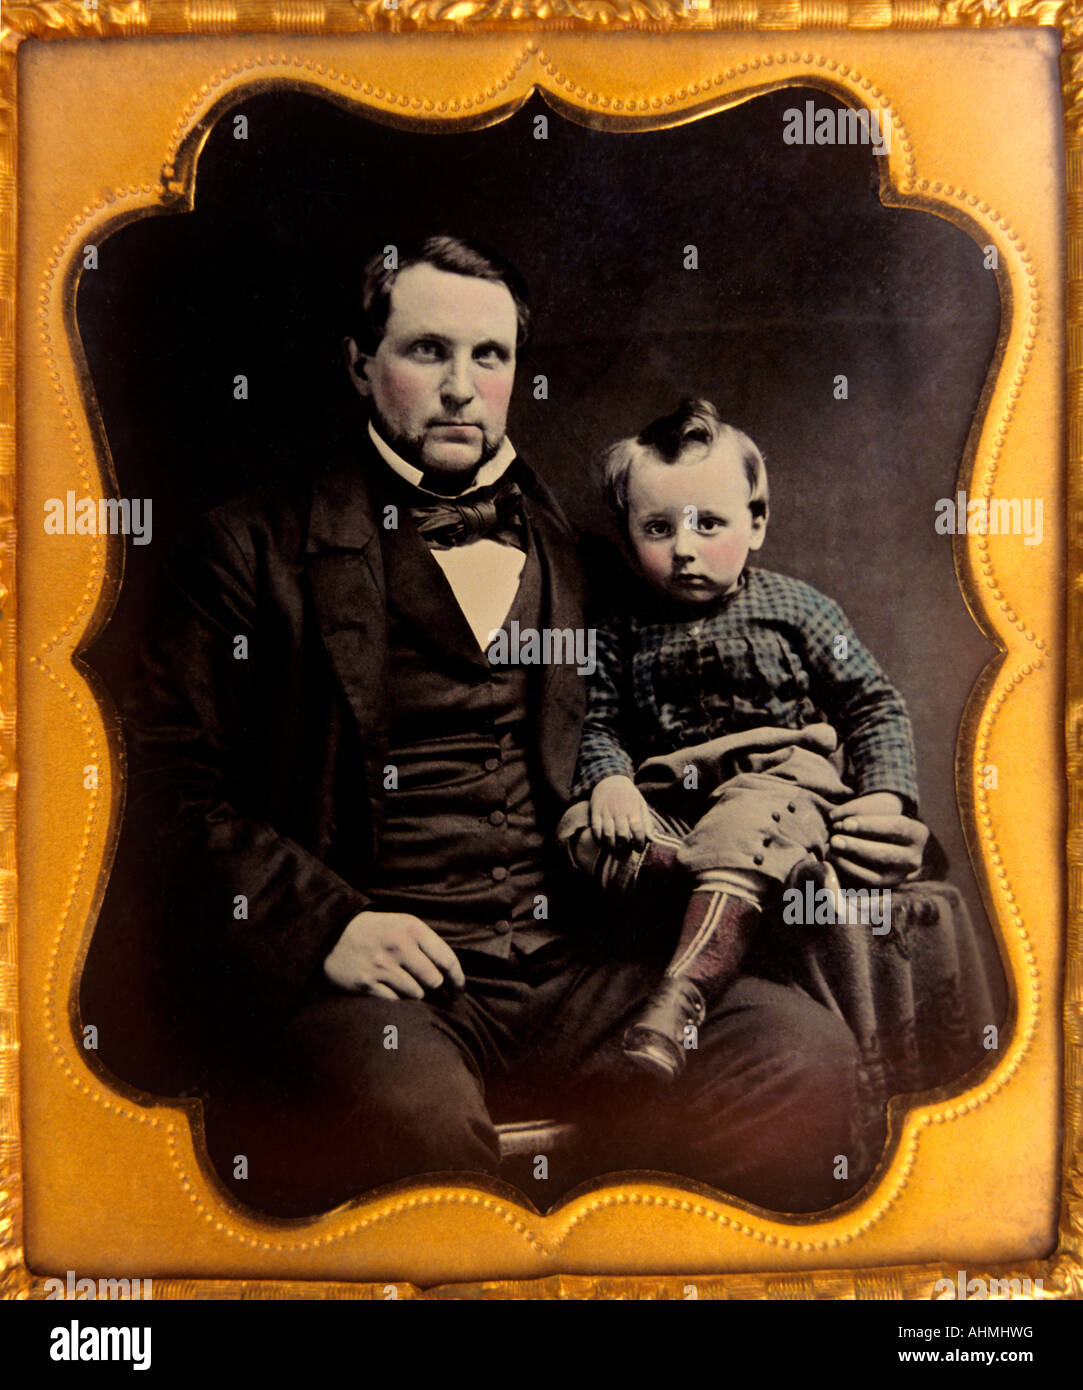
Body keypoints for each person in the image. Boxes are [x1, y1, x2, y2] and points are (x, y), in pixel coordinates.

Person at [125, 235, 931, 1217]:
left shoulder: (597, 555)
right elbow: (161, 791)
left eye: (491, 356)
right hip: (386, 984)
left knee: (800, 1060)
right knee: (414, 1138)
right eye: (428, 352)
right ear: (359, 365)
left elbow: (756, 708)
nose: (463, 387)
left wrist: (881, 803)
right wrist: (326, 923)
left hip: (572, 963)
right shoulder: (247, 549)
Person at [559, 400, 919, 1081]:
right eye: (657, 528)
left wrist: (887, 798)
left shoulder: (795, 608)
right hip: (673, 802)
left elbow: (872, 704)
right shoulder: (618, 631)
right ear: (628, 538)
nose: (684, 548)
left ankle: (680, 997)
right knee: (579, 827)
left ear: (755, 523)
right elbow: (598, 722)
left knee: (750, 818)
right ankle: (714, 891)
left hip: (776, 787)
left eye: (709, 524)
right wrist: (608, 781)